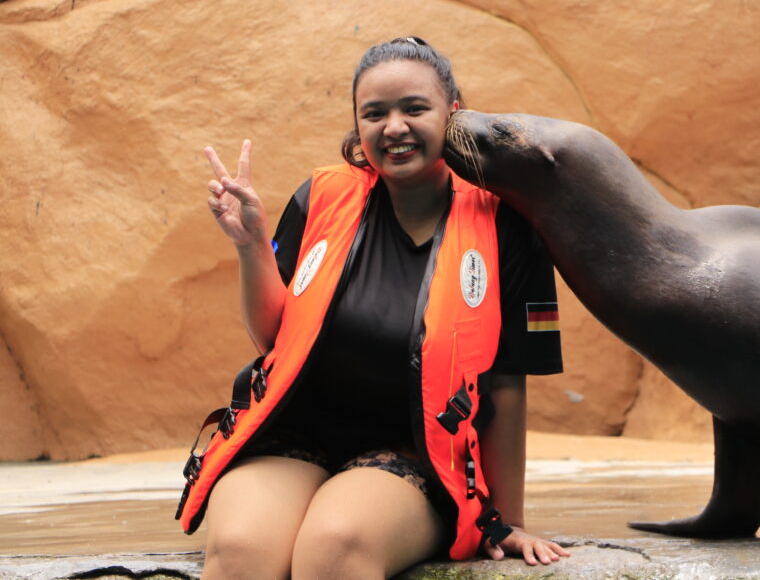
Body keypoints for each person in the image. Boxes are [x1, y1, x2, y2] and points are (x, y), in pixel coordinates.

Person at [187, 37, 570, 579]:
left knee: (335, 546)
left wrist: (505, 520)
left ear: (453, 114)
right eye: (375, 114)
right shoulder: (320, 197)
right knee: (240, 552)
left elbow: (507, 385)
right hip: (296, 436)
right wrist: (251, 248)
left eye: (415, 108)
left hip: (415, 451)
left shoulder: (506, 223)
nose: (394, 127)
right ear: (358, 124)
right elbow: (275, 341)